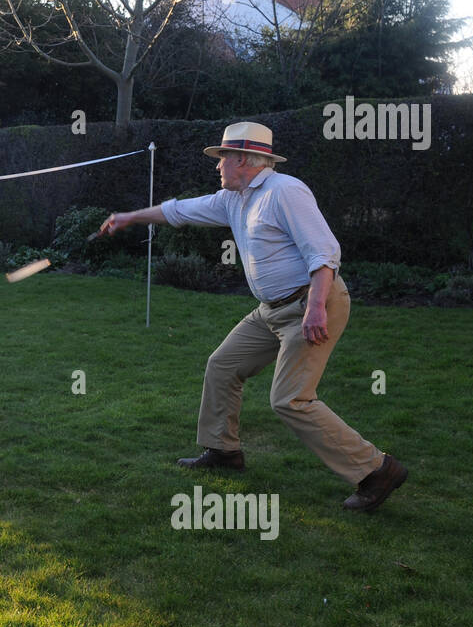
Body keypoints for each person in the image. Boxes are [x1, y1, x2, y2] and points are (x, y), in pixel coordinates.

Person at [99, 122, 407, 512]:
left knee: (290, 400)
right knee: (223, 365)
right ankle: (223, 452)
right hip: (271, 311)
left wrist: (315, 309)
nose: (218, 166)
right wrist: (130, 216)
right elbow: (180, 210)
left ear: (242, 159)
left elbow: (324, 252)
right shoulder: (235, 198)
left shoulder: (286, 192)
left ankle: (378, 470)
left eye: (222, 158)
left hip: (312, 303)